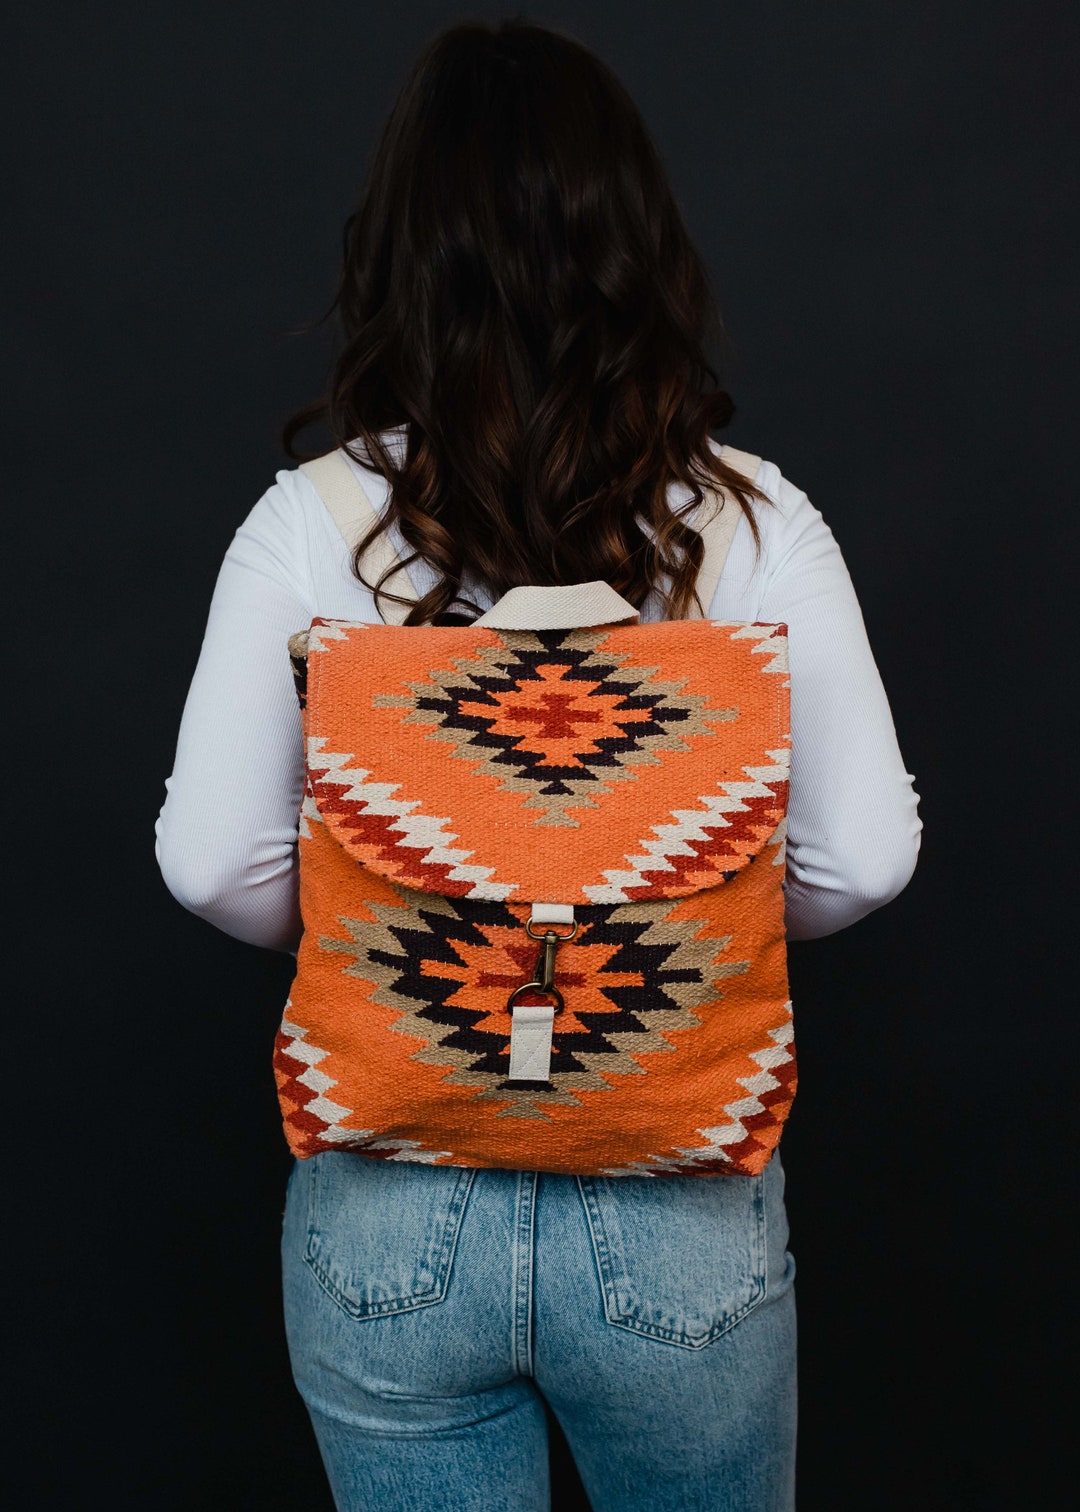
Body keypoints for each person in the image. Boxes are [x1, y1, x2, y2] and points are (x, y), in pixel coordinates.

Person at [154, 19, 921, 1512]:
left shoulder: (309, 523)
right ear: (638, 245)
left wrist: (414, 925)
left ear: (399, 253)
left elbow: (208, 863)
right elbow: (869, 856)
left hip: (391, 1211)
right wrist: (654, 920)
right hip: (678, 1202)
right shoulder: (755, 523)